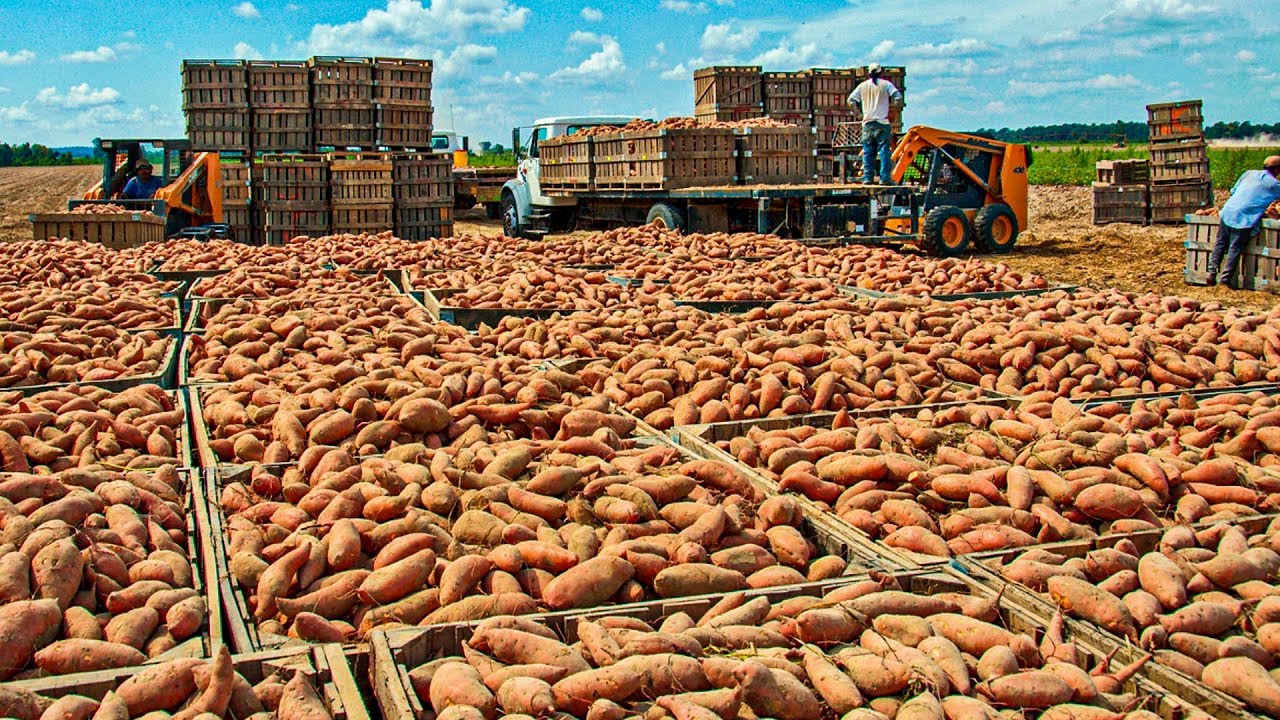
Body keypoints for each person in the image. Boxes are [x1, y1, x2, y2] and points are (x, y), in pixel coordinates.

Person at [1209, 155, 1280, 287]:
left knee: (1220, 243)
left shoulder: (1248, 174)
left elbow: (1233, 191)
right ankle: (1224, 281)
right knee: (1234, 248)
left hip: (1228, 210)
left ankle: (1211, 273)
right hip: (1244, 217)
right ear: (1277, 169)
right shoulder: (1274, 184)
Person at [848, 62, 902, 185]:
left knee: (868, 152)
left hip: (867, 124)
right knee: (884, 151)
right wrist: (893, 112)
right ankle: (884, 179)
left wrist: (859, 115)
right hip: (882, 123)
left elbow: (851, 101)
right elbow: (898, 98)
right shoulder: (886, 85)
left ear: (868, 74)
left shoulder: (863, 86)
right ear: (881, 72)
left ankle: (867, 178)